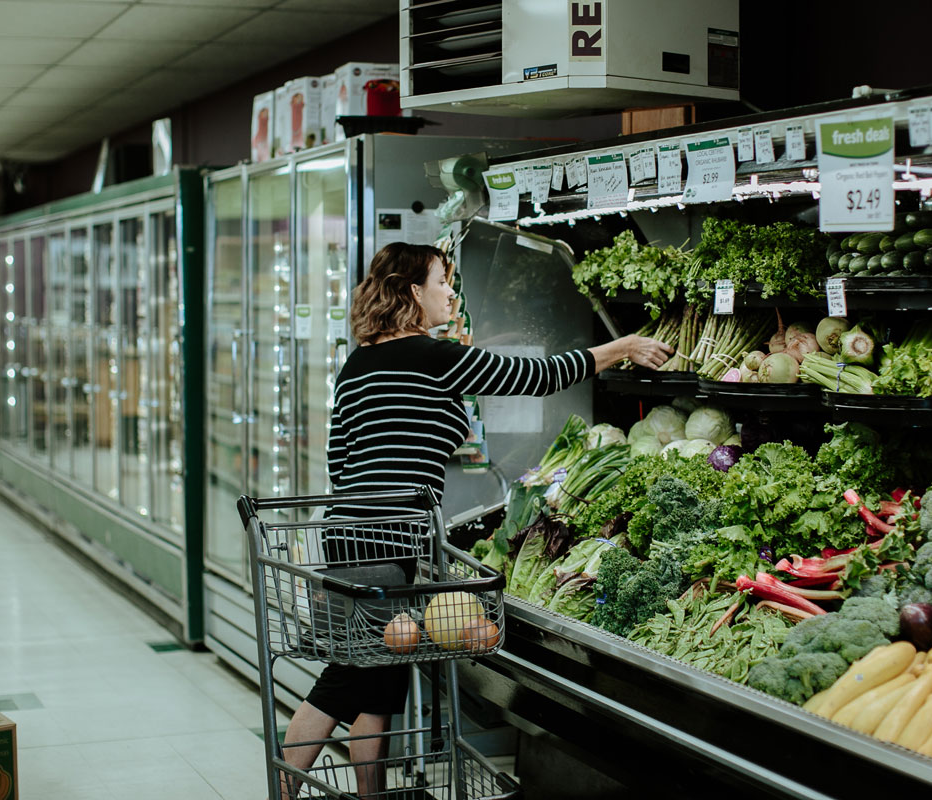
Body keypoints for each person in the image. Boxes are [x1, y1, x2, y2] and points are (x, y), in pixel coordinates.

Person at [277, 242, 671, 797]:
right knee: (348, 676)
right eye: (442, 282)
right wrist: (623, 347)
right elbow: (538, 376)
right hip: (389, 539)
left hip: (352, 529)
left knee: (381, 681)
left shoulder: (358, 363)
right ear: (414, 292)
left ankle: (370, 795)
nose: (449, 292)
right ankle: (281, 787)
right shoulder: (435, 358)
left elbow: (339, 458)